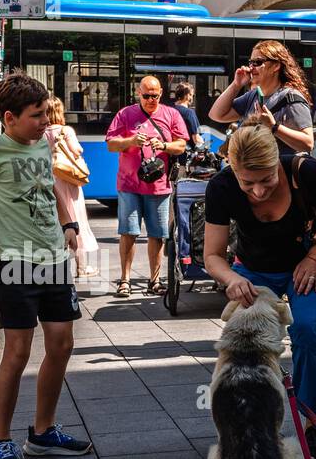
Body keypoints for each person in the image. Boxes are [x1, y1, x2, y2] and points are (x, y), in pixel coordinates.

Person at [0, 73, 91, 459]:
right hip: (15, 262)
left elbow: (49, 191)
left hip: (53, 261)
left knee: (62, 345)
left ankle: (42, 432)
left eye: (46, 112)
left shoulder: (43, 145)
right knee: (17, 352)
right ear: (9, 118)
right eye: (36, 115)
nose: (45, 121)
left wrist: (69, 224)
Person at [201, 122, 316, 459]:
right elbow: (212, 255)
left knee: (308, 329)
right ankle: (244, 422)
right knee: (242, 341)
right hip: (254, 268)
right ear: (233, 171)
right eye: (247, 182)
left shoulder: (304, 171)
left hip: (308, 261)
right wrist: (231, 279)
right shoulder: (222, 187)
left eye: (266, 178)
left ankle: (312, 424)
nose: (257, 191)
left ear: (276, 163)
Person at [105, 76, 188, 297]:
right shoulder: (125, 114)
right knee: (128, 233)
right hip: (129, 184)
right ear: (138, 93)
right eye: (146, 95)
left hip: (159, 187)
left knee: (157, 235)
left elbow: (181, 145)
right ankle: (125, 280)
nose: (151, 99)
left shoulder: (172, 114)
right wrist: (130, 141)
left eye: (155, 95)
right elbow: (111, 144)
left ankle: (155, 281)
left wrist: (165, 145)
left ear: (161, 94)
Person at [208, 39, 315, 157]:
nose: (251, 67)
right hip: (252, 171)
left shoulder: (291, 98)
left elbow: (308, 143)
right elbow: (216, 115)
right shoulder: (253, 95)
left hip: (277, 172)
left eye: (257, 62)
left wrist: (274, 127)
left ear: (276, 66)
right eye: (250, 62)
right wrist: (236, 85)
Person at [45, 96, 97, 278]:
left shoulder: (40, 132)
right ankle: (81, 267)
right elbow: (77, 150)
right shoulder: (65, 130)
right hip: (67, 179)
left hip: (51, 178)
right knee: (76, 219)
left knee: (56, 221)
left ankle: (57, 266)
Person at [172, 82, 204, 149]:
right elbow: (196, 139)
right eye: (192, 95)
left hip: (170, 150)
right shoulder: (189, 113)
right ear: (187, 95)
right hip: (185, 153)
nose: (192, 98)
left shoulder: (169, 110)